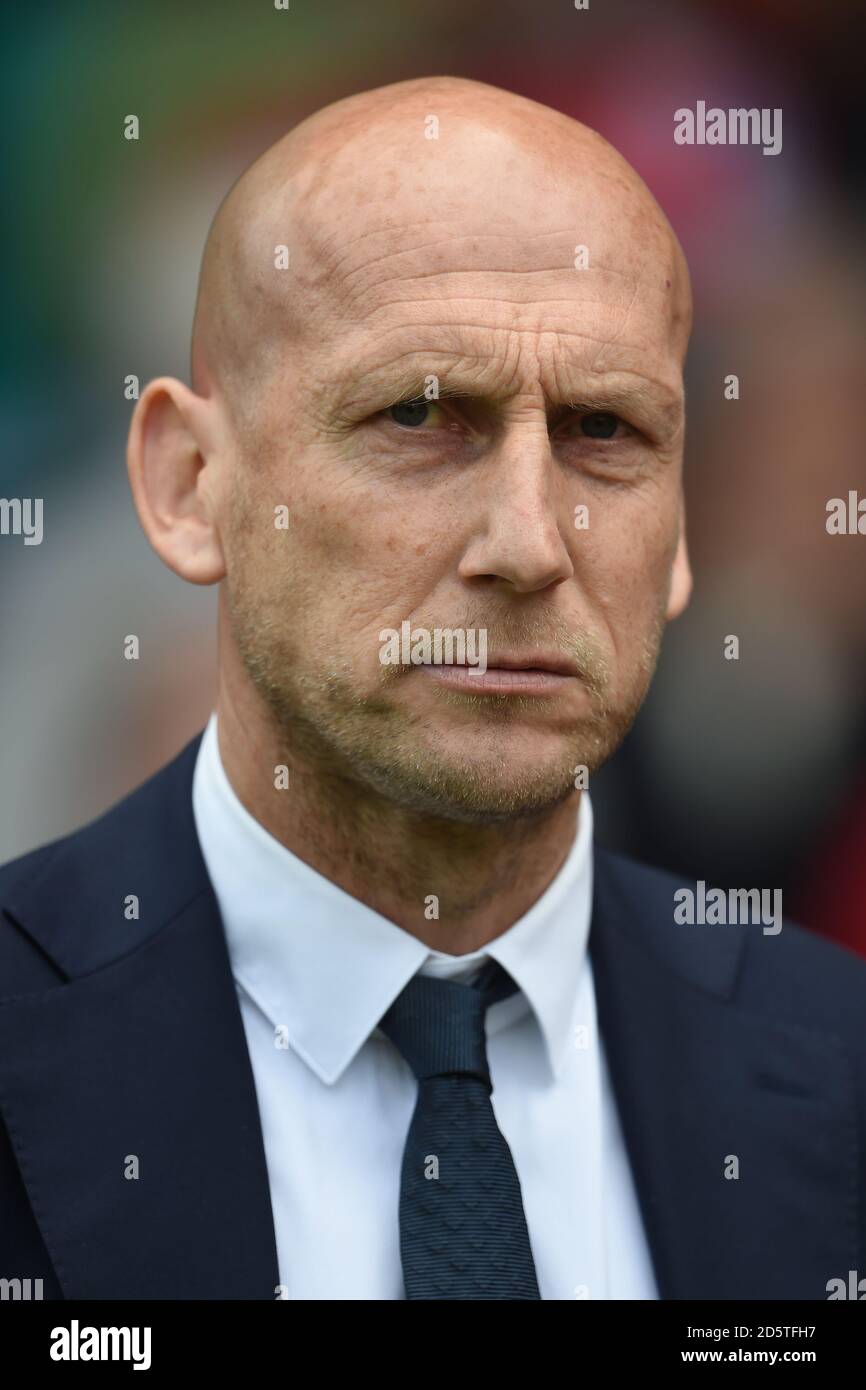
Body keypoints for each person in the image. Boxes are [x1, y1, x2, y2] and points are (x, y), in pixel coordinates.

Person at [1, 76, 864, 1302]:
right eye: (418, 414)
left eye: (605, 432)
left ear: (678, 535)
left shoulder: (837, 1073)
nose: (528, 541)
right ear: (190, 484)